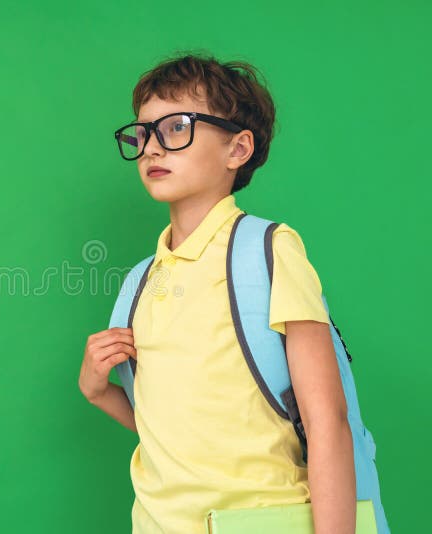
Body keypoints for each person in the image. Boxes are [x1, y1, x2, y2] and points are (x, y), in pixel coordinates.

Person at [78, 52, 356, 534]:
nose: (152, 148)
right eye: (144, 133)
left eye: (177, 127)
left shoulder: (270, 251)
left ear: (238, 149)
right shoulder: (142, 280)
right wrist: (97, 389)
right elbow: (177, 433)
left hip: (261, 521)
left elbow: (326, 420)